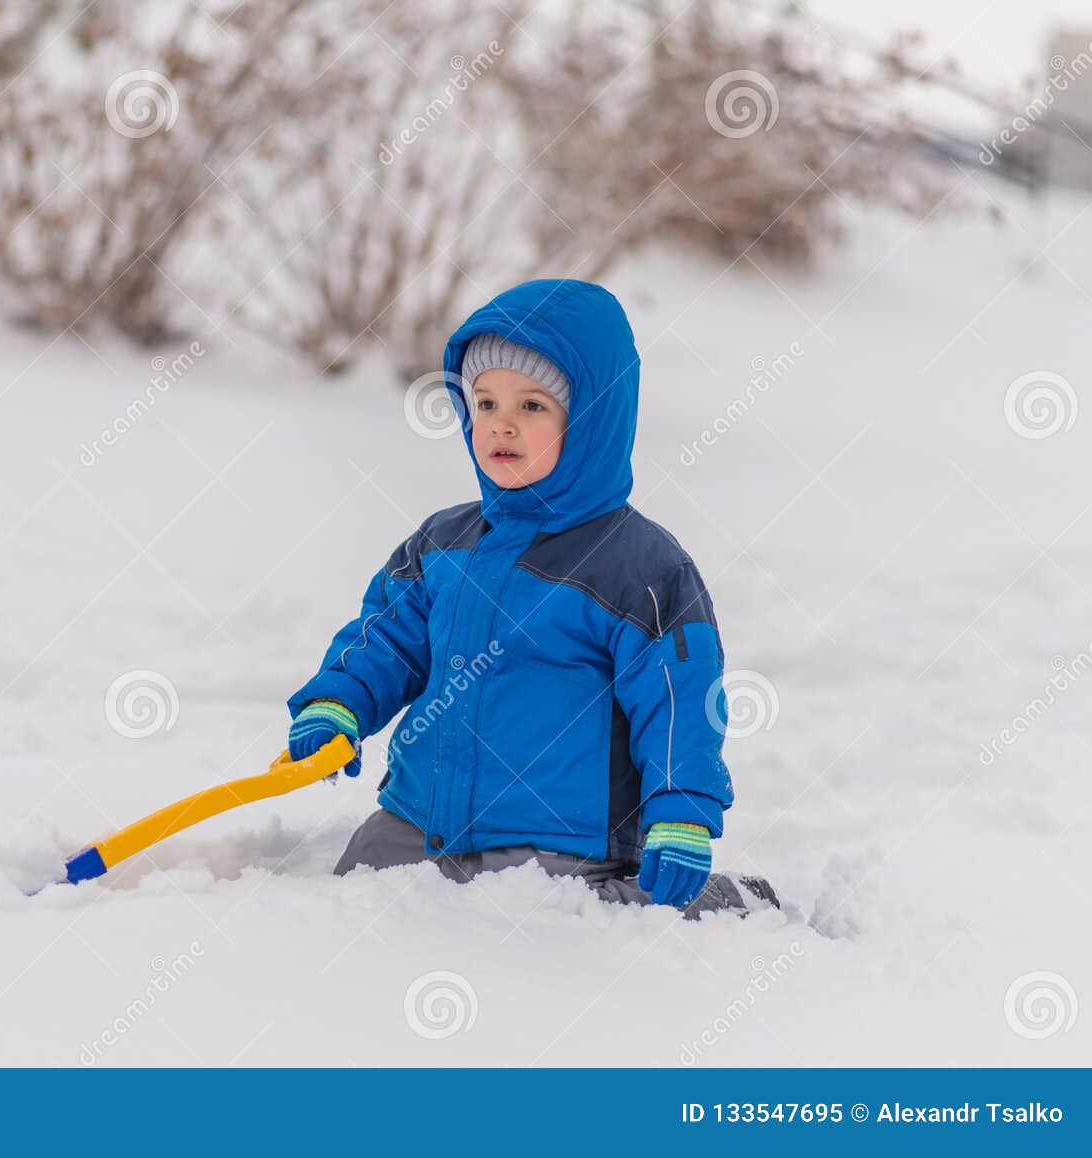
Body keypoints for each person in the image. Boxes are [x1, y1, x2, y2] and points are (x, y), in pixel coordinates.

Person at [285, 279, 779, 919]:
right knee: (356, 876)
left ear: (593, 420)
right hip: (422, 817)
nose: (502, 424)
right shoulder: (443, 543)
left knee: (580, 919)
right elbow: (385, 640)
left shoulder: (641, 568)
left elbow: (681, 703)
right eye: (484, 402)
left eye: (534, 407)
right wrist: (337, 704)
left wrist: (681, 811)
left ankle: (726, 901)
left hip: (563, 843)